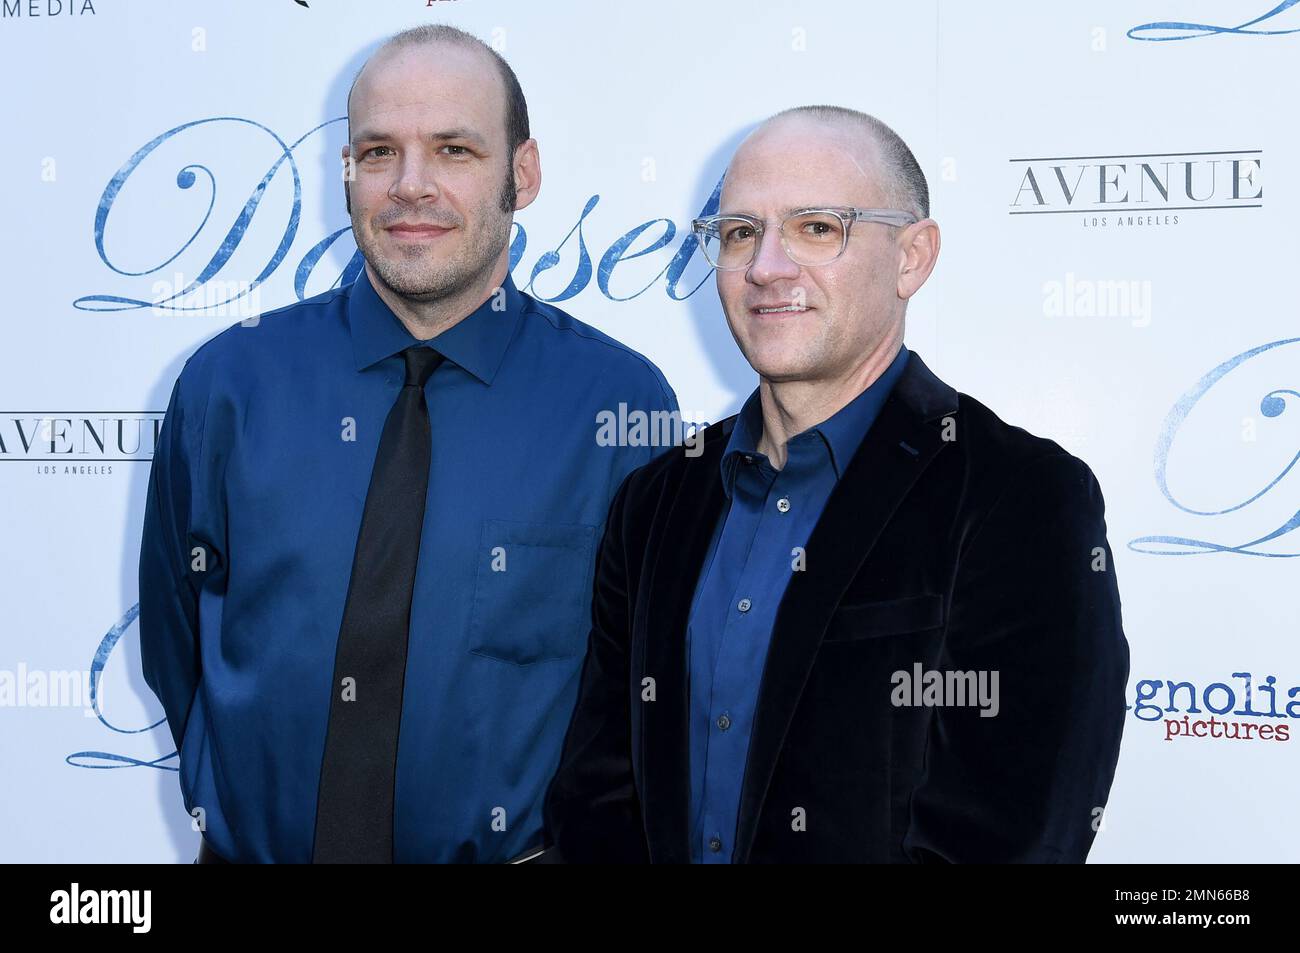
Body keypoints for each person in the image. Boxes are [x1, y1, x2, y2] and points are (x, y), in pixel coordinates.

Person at [139, 24, 677, 864]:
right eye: (379, 151)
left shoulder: (621, 406)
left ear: (522, 174)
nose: (410, 186)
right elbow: (177, 643)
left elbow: (642, 694)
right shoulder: (229, 383)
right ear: (347, 169)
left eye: (455, 150)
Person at [544, 105, 1128, 863]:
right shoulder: (655, 501)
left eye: (817, 227)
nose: (766, 267)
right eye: (740, 233)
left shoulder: (1021, 499)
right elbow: (598, 803)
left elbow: (1007, 840)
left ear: (913, 256)